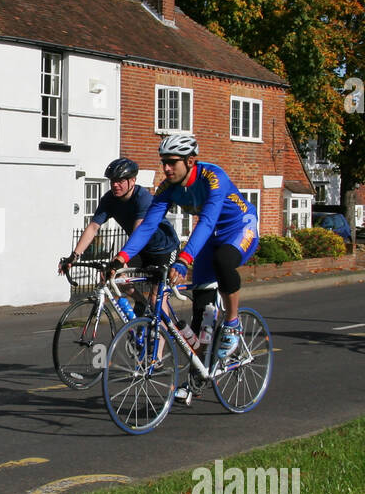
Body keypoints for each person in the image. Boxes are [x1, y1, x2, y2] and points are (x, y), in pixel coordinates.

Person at [110, 133, 259, 365]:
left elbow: (208, 221)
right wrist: (121, 258)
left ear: (190, 161)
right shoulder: (168, 188)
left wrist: (184, 259)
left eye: (172, 162)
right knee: (202, 313)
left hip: (238, 228)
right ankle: (198, 375)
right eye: (164, 162)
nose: (167, 168)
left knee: (223, 261)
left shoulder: (213, 177)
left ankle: (232, 323)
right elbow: (149, 225)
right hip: (209, 237)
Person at [59, 157, 180, 315]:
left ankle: (162, 336)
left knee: (157, 298)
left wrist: (118, 260)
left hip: (164, 249)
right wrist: (74, 256)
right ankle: (141, 303)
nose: (115, 185)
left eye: (120, 180)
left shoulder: (143, 198)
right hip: (141, 250)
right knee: (117, 277)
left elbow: (138, 233)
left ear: (133, 180)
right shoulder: (109, 200)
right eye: (112, 181)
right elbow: (93, 227)